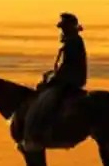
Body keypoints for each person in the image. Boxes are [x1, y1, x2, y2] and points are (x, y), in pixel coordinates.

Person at [23, 13, 88, 150]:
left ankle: (43, 134)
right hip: (71, 76)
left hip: (71, 79)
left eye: (64, 27)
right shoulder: (72, 40)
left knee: (47, 99)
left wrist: (54, 78)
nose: (62, 30)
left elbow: (67, 65)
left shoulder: (73, 42)